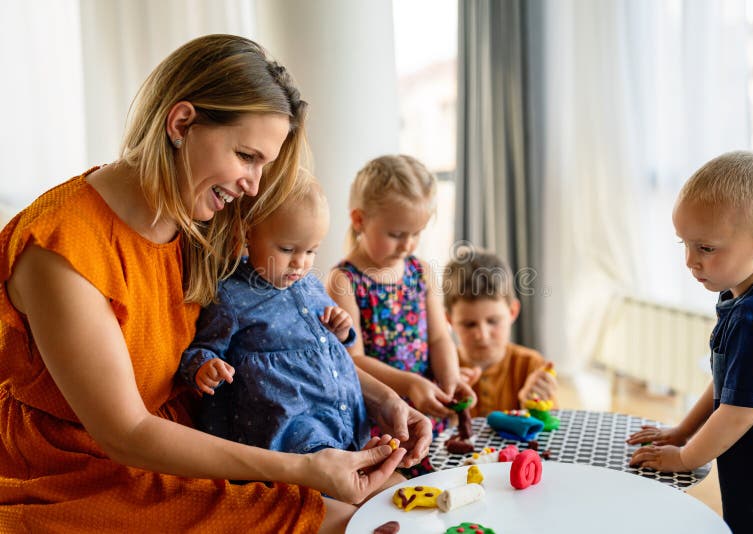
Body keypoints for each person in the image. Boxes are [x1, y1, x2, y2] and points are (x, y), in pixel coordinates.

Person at [0, 34, 430, 533]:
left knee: (391, 503)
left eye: (265, 164)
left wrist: (384, 398)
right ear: (181, 123)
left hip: (196, 437)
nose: (254, 185)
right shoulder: (60, 249)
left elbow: (284, 345)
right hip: (79, 472)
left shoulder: (203, 223)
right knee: (344, 522)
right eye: (247, 156)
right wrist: (302, 470)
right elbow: (126, 433)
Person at [627, 150, 753, 532]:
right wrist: (682, 431)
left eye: (705, 248)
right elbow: (730, 384)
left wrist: (684, 457)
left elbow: (739, 412)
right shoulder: (750, 293)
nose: (690, 261)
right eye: (684, 244)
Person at [177, 172, 374, 456]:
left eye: (311, 251)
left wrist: (341, 330)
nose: (300, 263)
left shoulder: (311, 284)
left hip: (341, 411)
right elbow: (204, 348)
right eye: (287, 249)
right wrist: (205, 367)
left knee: (378, 463)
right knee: (329, 466)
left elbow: (328, 342)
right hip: (288, 427)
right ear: (249, 233)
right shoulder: (232, 296)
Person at [327, 155, 474, 474]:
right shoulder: (344, 281)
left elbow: (439, 338)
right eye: (396, 234)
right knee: (395, 486)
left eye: (416, 233)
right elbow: (353, 360)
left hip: (426, 406)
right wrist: (410, 384)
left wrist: (450, 378)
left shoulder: (420, 271)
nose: (408, 244)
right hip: (379, 416)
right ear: (359, 220)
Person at [442, 246, 558, 417]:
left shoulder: (530, 365)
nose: (482, 335)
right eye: (469, 324)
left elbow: (553, 427)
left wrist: (532, 406)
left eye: (493, 321)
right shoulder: (442, 370)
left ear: (512, 312)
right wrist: (448, 406)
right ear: (449, 320)